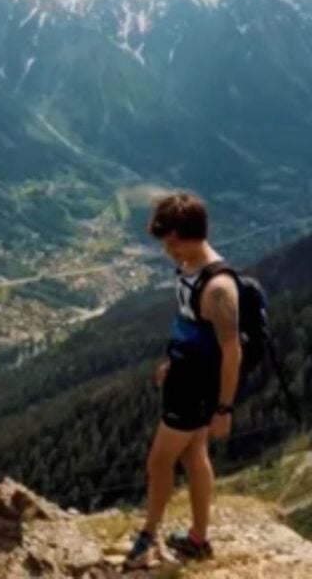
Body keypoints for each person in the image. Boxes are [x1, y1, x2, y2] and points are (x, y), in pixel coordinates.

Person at [124, 192, 241, 569]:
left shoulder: (219, 289)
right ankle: (198, 538)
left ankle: (148, 535)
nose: (166, 251)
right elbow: (191, 329)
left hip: (195, 392)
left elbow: (231, 352)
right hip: (186, 376)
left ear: (181, 235)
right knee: (194, 455)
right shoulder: (192, 269)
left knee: (159, 461)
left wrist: (223, 408)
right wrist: (171, 362)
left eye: (169, 243)